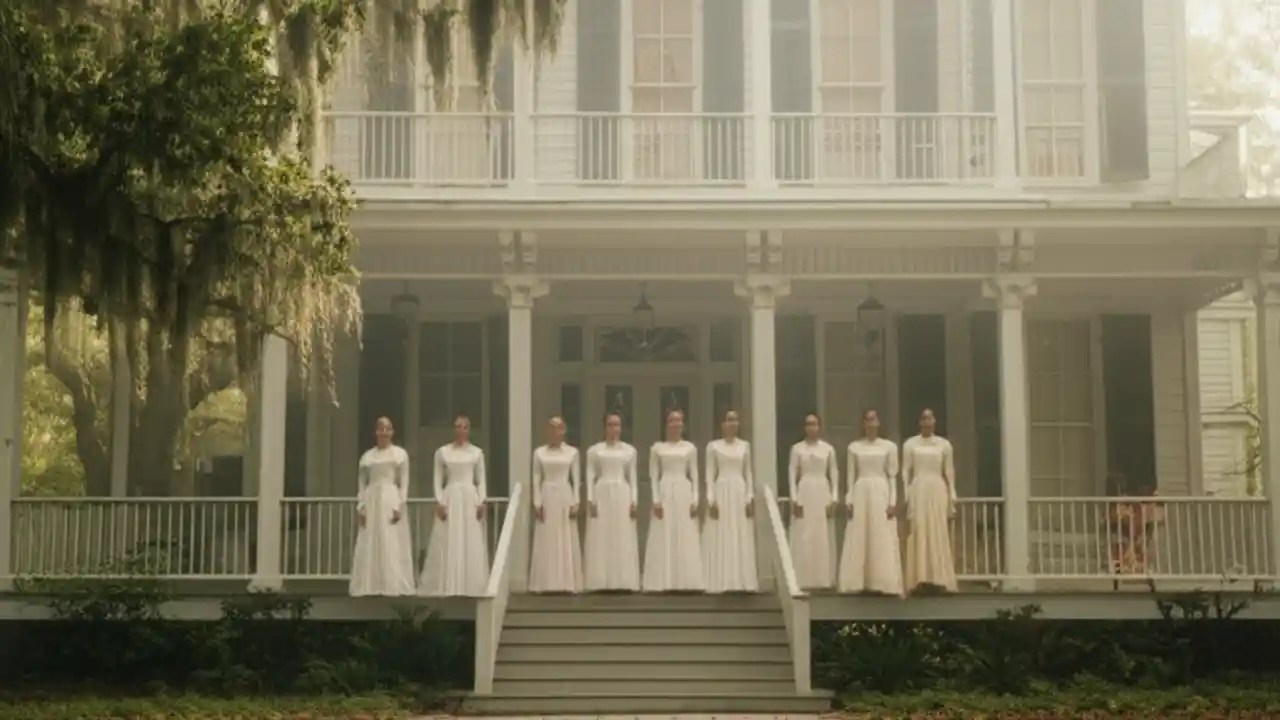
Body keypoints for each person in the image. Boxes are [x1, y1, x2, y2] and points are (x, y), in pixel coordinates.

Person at [419, 413, 490, 596]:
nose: (461, 430)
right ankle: (447, 584)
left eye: (464, 427)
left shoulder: (476, 453)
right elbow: (437, 478)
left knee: (470, 537)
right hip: (451, 495)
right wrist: (440, 500)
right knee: (447, 536)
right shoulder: (442, 452)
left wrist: (481, 500)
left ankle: (470, 585)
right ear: (454, 429)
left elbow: (481, 479)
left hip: (469, 497)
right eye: (457, 426)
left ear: (469, 429)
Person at [838, 409, 904, 596]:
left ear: (879, 423)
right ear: (863, 424)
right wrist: (848, 498)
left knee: (880, 533)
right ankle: (859, 581)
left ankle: (882, 581)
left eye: (874, 419)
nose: (871, 423)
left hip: (880, 490)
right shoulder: (854, 447)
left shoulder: (889, 447)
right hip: (861, 490)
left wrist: (892, 502)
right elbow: (851, 476)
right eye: (867, 420)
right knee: (860, 534)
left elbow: (892, 476)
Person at [349, 417, 417, 596]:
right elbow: (362, 485)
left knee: (390, 539)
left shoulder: (400, 454)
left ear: (392, 432)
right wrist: (361, 506)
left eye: (387, 429)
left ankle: (392, 584)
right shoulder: (368, 457)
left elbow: (404, 483)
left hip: (390, 497)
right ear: (376, 432)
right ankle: (371, 583)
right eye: (381, 429)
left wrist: (399, 505)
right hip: (372, 497)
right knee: (371, 536)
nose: (384, 432)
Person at [641, 409, 705, 592]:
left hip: (683, 491)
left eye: (679, 421)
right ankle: (662, 580)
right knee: (664, 532)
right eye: (672, 421)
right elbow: (653, 475)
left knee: (684, 532)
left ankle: (685, 580)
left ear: (683, 424)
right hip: (664, 490)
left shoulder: (690, 448)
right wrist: (656, 500)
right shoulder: (657, 448)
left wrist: (695, 500)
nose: (676, 424)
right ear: (666, 424)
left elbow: (694, 474)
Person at [702, 408, 758, 593]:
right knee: (722, 532)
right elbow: (709, 475)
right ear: (722, 424)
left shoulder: (745, 446)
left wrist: (749, 498)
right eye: (728, 420)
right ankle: (720, 580)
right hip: (721, 489)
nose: (732, 424)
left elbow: (748, 474)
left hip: (739, 491)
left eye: (735, 420)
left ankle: (741, 580)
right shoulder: (713, 446)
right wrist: (711, 500)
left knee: (739, 532)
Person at [902, 408, 958, 593]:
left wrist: (952, 493)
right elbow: (906, 471)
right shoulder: (910, 444)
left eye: (930, 418)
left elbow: (948, 471)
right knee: (919, 530)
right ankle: (919, 578)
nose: (927, 421)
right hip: (919, 487)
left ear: (934, 421)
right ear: (919, 422)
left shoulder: (944, 444)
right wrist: (906, 493)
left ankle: (939, 577)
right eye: (924, 418)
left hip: (937, 488)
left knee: (937, 529)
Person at [584, 412, 641, 591]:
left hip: (622, 493)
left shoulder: (630, 451)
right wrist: (590, 499)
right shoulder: (594, 451)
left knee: (622, 534)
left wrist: (634, 501)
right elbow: (590, 476)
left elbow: (632, 478)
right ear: (604, 427)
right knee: (601, 535)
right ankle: (599, 580)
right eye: (610, 424)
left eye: (617, 425)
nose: (614, 428)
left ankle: (623, 581)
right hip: (602, 493)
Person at [529, 416, 583, 593]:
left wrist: (576, 501)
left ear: (564, 430)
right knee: (547, 536)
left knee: (564, 535)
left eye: (558, 427)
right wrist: (537, 502)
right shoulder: (539, 453)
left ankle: (566, 582)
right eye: (551, 427)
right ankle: (544, 583)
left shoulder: (572, 453)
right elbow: (536, 478)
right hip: (547, 494)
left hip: (564, 494)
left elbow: (576, 479)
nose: (555, 431)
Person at [788, 413, 838, 590]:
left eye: (815, 424)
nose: (812, 427)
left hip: (822, 491)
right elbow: (792, 474)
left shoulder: (828, 449)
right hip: (805, 490)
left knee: (821, 534)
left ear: (820, 427)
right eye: (808, 424)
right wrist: (794, 499)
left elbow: (833, 474)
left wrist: (834, 498)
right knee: (804, 534)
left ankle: (822, 578)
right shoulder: (797, 449)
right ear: (804, 427)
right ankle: (802, 577)